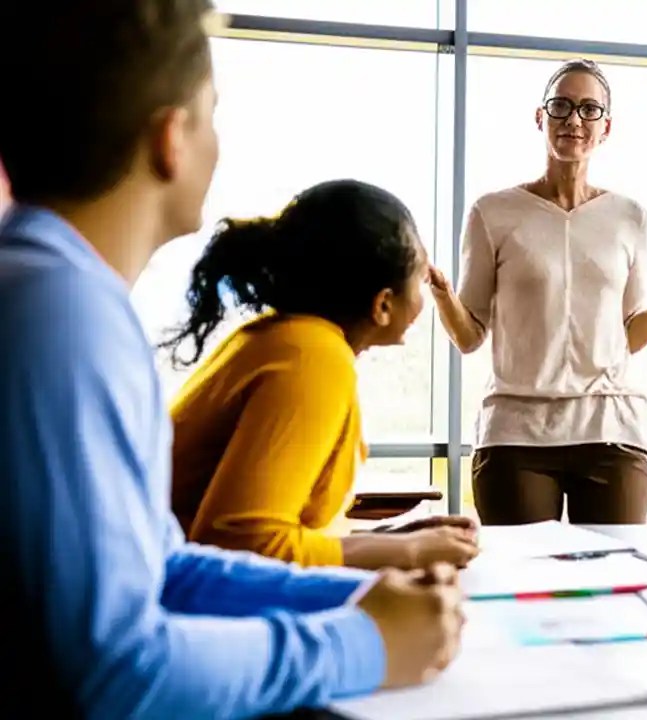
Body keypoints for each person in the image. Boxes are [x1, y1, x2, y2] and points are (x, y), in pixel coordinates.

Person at [0, 3, 462, 717]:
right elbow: (114, 670)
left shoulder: (61, 293)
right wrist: (360, 645)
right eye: (212, 114)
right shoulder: (64, 317)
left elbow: (165, 565)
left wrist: (355, 597)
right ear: (171, 139)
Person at [427, 58, 647, 525]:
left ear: (606, 127)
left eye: (589, 109)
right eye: (561, 106)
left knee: (622, 575)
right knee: (525, 587)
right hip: (516, 435)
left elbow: (629, 334)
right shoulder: (492, 212)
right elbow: (470, 336)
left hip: (611, 430)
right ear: (541, 117)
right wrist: (443, 293)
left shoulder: (629, 216)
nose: (574, 119)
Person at [164, 179, 479, 571]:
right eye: (419, 279)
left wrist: (390, 540)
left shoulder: (281, 339)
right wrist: (406, 554)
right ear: (383, 304)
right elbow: (239, 550)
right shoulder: (311, 357)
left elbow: (268, 530)